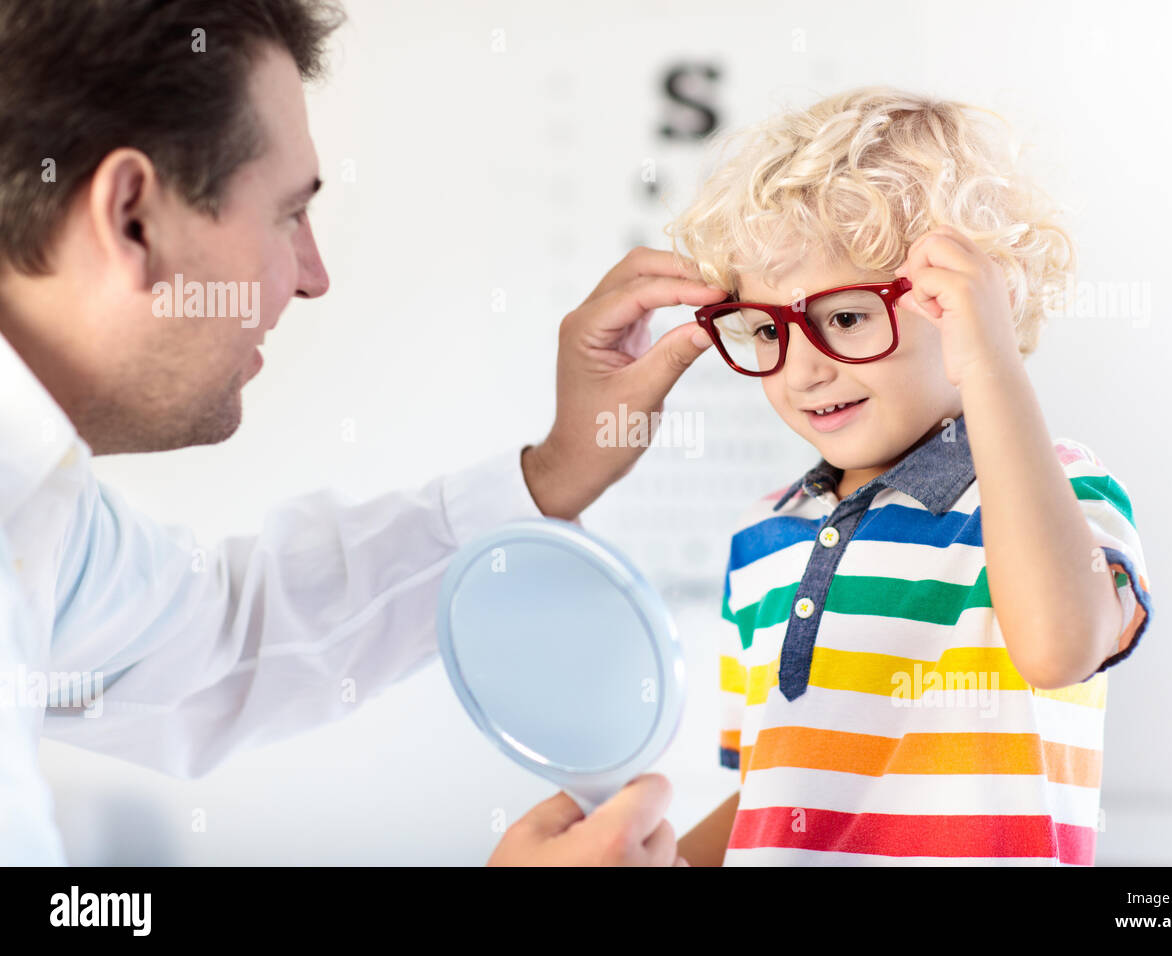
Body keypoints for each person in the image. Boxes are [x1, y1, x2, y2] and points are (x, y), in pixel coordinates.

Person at [0, 0, 726, 865]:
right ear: (131, 218)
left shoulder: (40, 516)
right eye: (287, 214)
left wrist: (557, 471)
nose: (313, 278)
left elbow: (232, 637)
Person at [668, 86, 1154, 865]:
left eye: (848, 316)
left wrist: (989, 362)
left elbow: (1061, 647)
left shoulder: (1056, 490)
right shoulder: (762, 535)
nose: (803, 370)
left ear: (981, 304)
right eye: (768, 329)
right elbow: (772, 790)